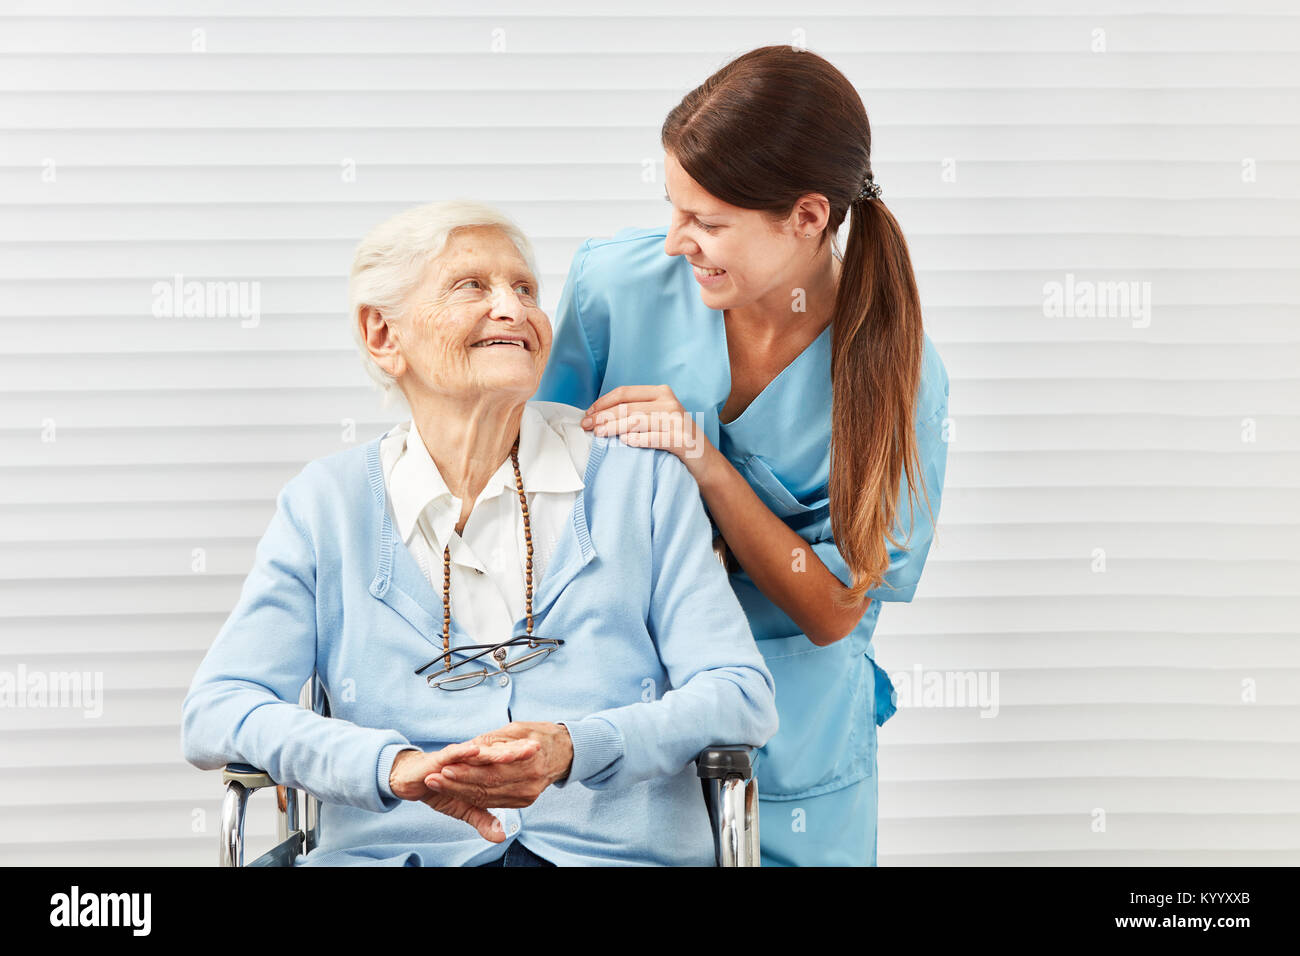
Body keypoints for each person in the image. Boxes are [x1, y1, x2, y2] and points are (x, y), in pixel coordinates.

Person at [181, 200, 778, 866]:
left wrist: (579, 747)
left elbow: (739, 694)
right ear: (382, 334)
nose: (513, 309)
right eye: (472, 286)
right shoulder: (326, 504)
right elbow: (218, 708)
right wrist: (388, 766)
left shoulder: (641, 482)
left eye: (525, 289)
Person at [534, 46, 950, 866]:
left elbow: (832, 610)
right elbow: (534, 497)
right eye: (673, 208)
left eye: (709, 222)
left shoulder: (896, 375)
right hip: (616, 727)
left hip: (792, 749)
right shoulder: (612, 288)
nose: (675, 242)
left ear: (808, 217)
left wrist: (705, 464)